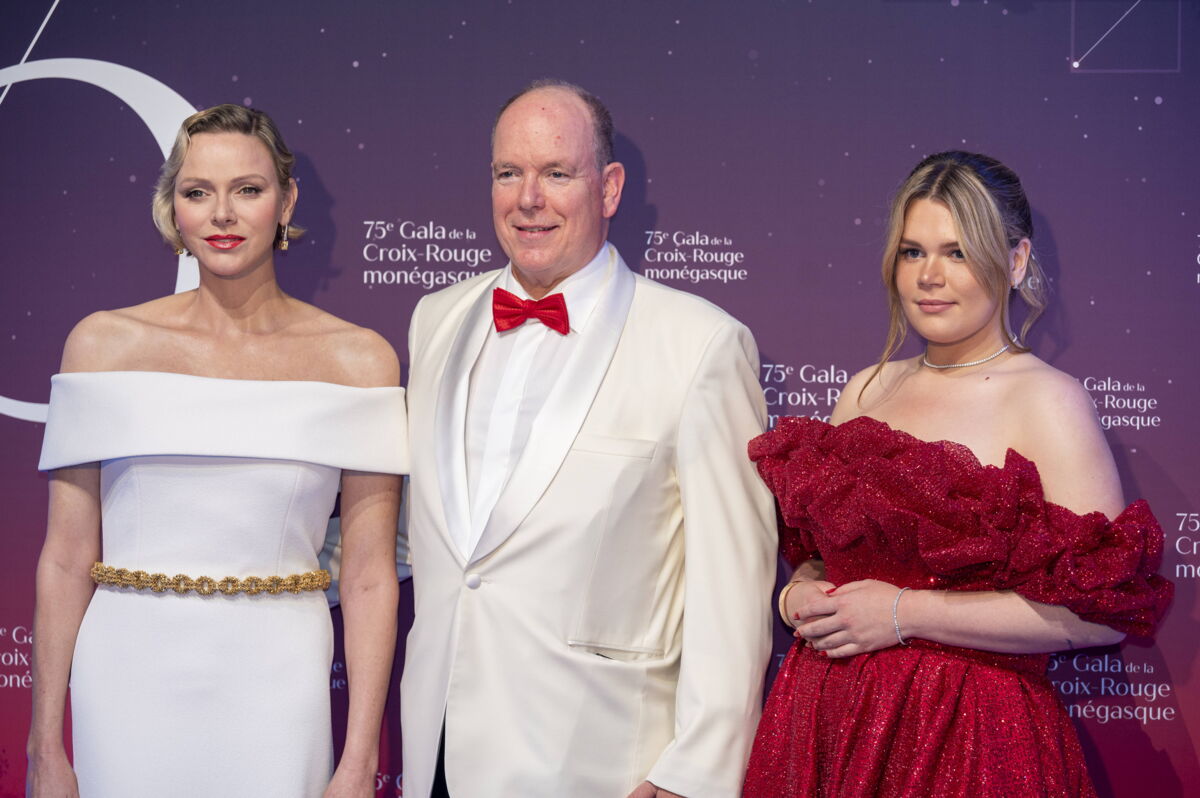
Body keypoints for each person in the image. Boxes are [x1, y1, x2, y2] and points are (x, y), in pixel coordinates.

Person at [742, 151, 1173, 797]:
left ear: (1017, 261)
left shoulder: (1047, 401)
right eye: (913, 252)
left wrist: (905, 613)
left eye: (958, 252)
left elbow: (1101, 615)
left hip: (969, 736)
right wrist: (798, 593)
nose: (929, 277)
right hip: (825, 718)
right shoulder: (864, 389)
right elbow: (821, 558)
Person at [400, 79, 777, 798]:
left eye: (556, 173)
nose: (528, 199)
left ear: (608, 188)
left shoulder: (700, 344)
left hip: (604, 764)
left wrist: (696, 772)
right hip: (440, 751)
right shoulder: (435, 321)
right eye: (508, 173)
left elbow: (734, 583)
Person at [25, 104, 406, 797]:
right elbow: (64, 556)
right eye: (198, 192)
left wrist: (358, 763)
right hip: (126, 673)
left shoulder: (358, 362)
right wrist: (44, 747)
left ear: (286, 202)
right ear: (174, 209)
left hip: (278, 677)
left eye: (248, 190)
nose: (222, 214)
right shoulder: (102, 347)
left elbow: (371, 578)